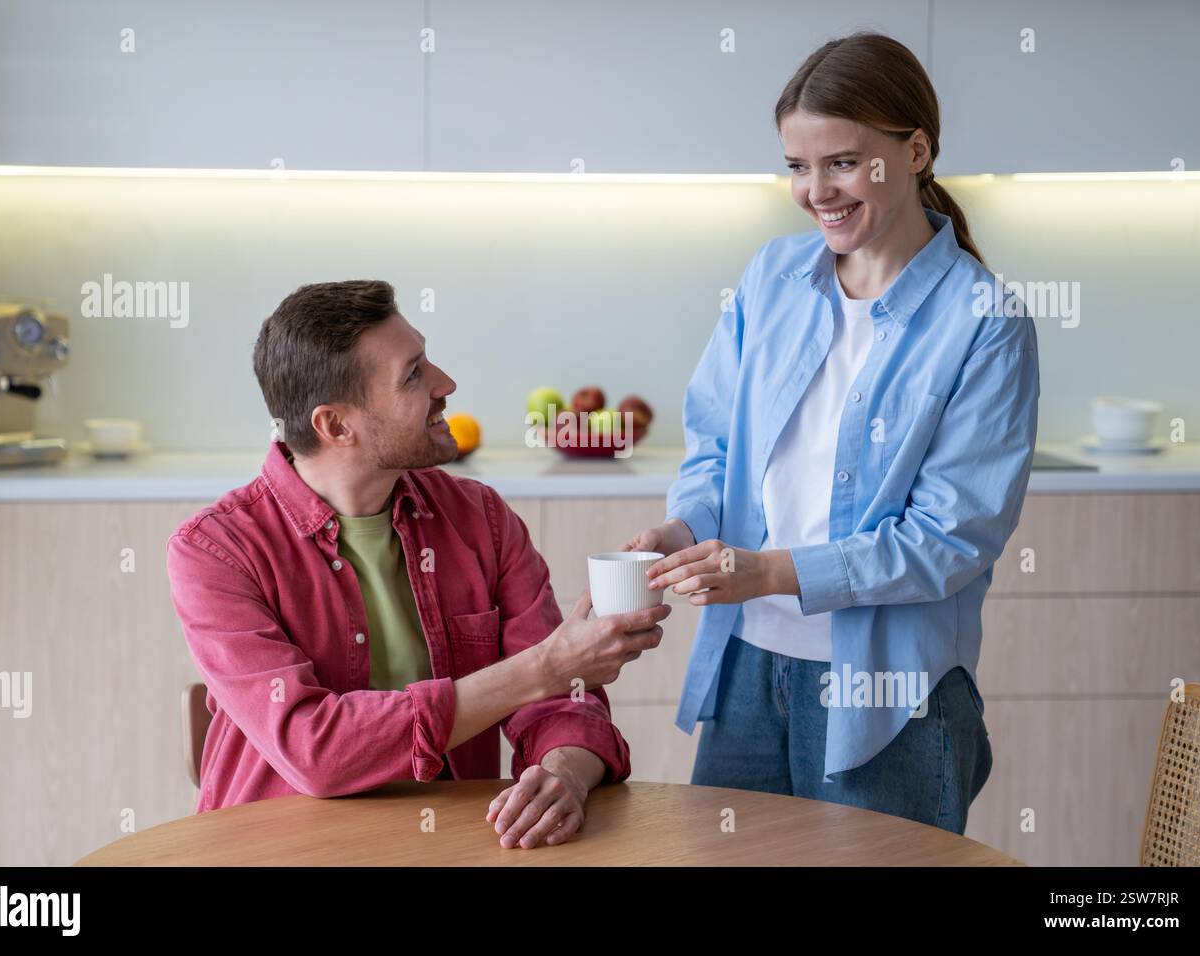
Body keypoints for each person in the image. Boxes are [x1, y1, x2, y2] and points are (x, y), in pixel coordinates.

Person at [623, 33, 1039, 834]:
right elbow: (716, 446)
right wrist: (684, 528)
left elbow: (948, 539)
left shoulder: (985, 321)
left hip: (887, 690)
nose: (817, 191)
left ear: (915, 151)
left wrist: (770, 571)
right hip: (747, 668)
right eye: (797, 166)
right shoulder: (771, 279)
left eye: (843, 162)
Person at [168, 279, 669, 849]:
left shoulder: (480, 518)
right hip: (281, 850)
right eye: (413, 374)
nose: (446, 384)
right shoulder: (216, 552)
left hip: (454, 845)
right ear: (336, 426)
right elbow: (317, 750)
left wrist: (564, 775)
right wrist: (541, 668)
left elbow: (565, 700)